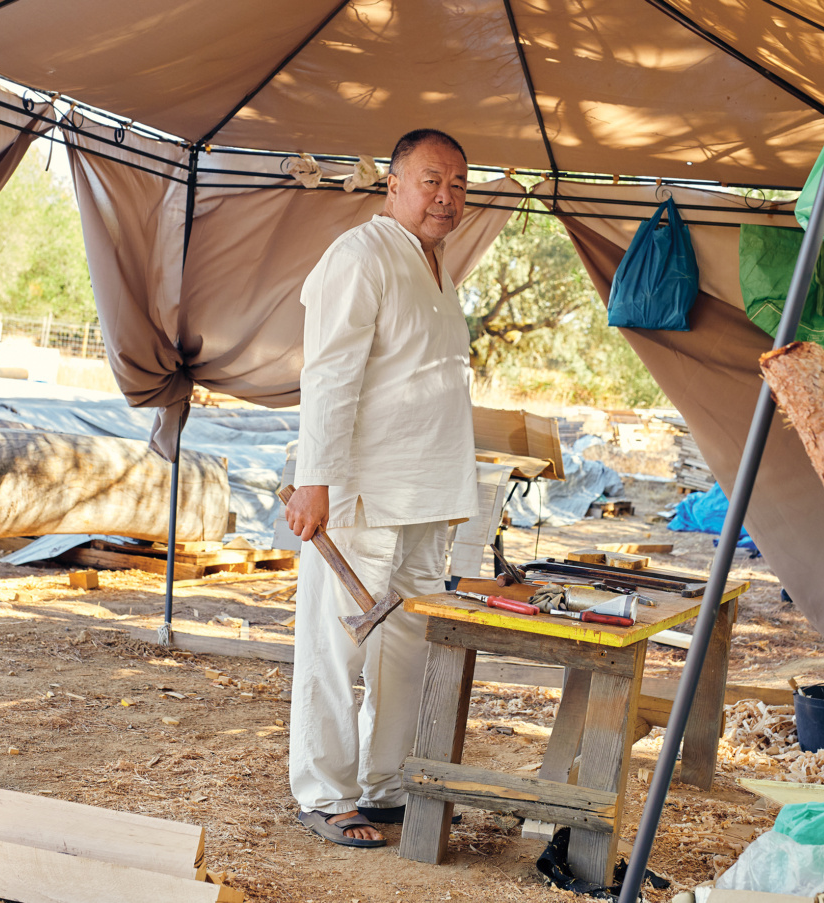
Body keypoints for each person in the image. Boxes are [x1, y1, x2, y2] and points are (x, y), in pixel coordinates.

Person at [284, 129, 479, 848]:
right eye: (431, 180)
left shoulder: (434, 263)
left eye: (458, 185)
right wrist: (315, 481)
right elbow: (329, 374)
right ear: (392, 184)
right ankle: (325, 792)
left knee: (407, 646)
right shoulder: (359, 255)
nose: (445, 196)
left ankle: (385, 783)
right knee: (337, 647)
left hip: (428, 493)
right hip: (362, 494)